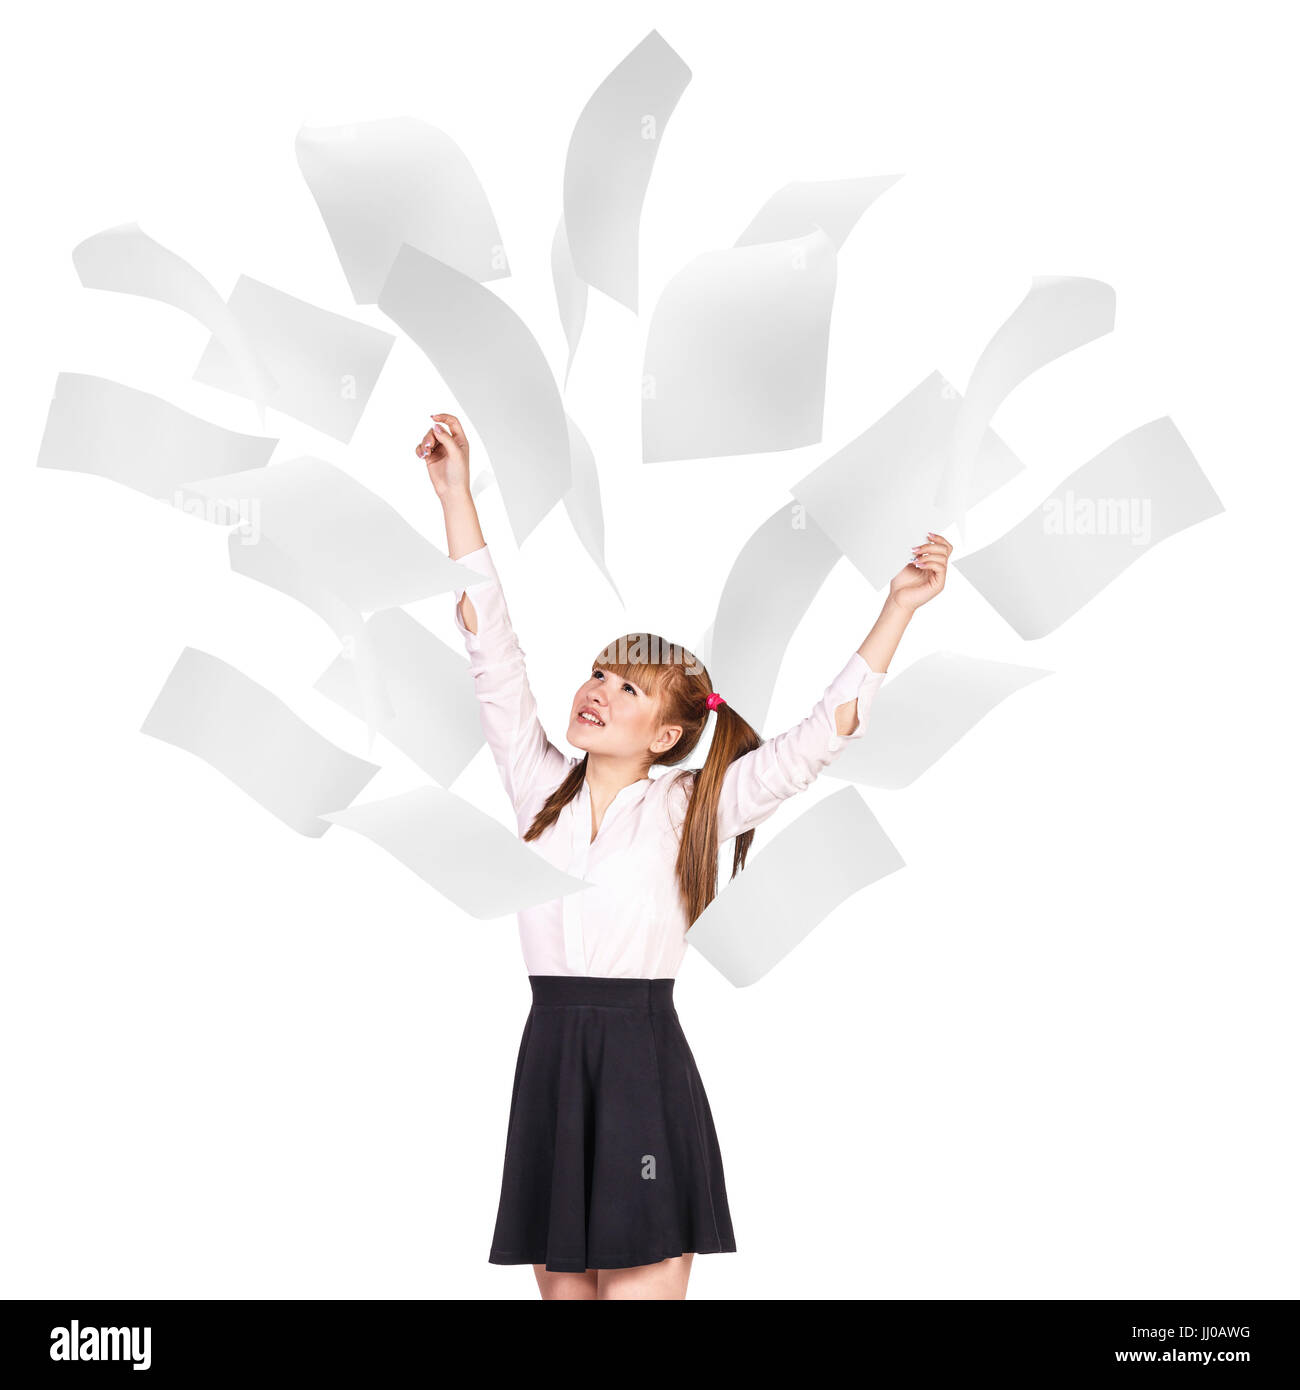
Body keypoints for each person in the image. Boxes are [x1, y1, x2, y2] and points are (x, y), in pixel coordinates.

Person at [417, 412, 950, 1300]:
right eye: (598, 672)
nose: (597, 691)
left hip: (638, 1071)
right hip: (550, 1061)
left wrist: (896, 606)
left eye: (628, 688)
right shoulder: (535, 784)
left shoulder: (697, 808)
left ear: (667, 733)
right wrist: (457, 496)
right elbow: (493, 650)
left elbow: (819, 740)